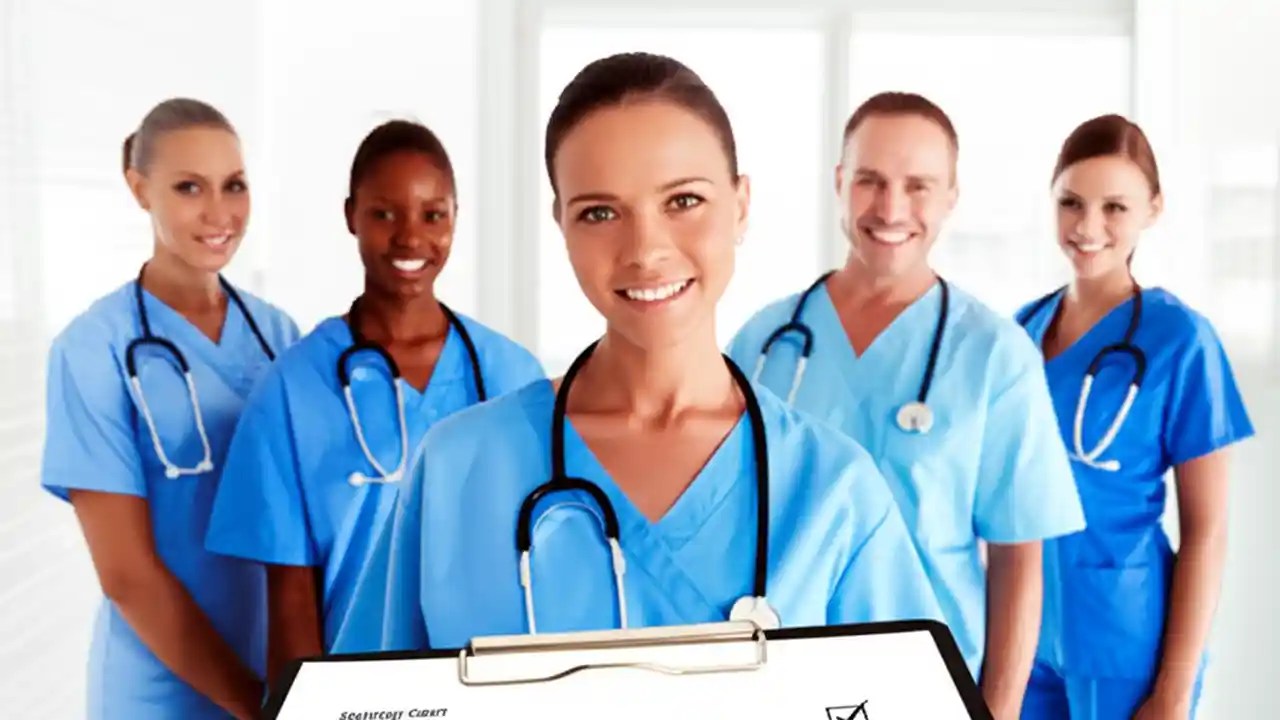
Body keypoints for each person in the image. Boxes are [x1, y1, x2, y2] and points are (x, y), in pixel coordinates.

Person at [353, 52, 943, 653]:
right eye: (599, 212)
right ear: (562, 224)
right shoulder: (457, 469)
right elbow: (364, 693)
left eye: (683, 201)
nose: (645, 249)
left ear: (740, 205)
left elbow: (908, 693)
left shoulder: (832, 489)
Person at [725, 92, 1087, 718]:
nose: (891, 208)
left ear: (951, 196)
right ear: (840, 183)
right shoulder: (762, 342)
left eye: (918, 186)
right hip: (781, 674)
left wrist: (997, 713)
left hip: (930, 681)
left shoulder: (994, 355)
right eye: (870, 180)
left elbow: (1017, 559)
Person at [204, 119, 545, 674]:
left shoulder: (511, 373)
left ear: (455, 218)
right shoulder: (294, 386)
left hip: (486, 682)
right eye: (385, 214)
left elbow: (545, 561)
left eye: (433, 214)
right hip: (355, 685)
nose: (411, 237)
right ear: (351, 216)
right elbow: (291, 595)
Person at [40, 98, 299, 719]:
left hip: (274, 673)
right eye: (189, 188)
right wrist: (254, 705)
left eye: (234, 185)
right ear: (139, 189)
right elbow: (126, 575)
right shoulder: (94, 348)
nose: (220, 213)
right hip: (157, 693)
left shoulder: (278, 336)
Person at [1015, 115, 1254, 720]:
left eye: (1114, 207)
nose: (1087, 226)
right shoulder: (1021, 330)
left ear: (1153, 208)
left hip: (1124, 637)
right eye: (1071, 202)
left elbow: (1207, 530)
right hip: (1025, 634)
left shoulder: (1180, 340)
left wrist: (1173, 690)